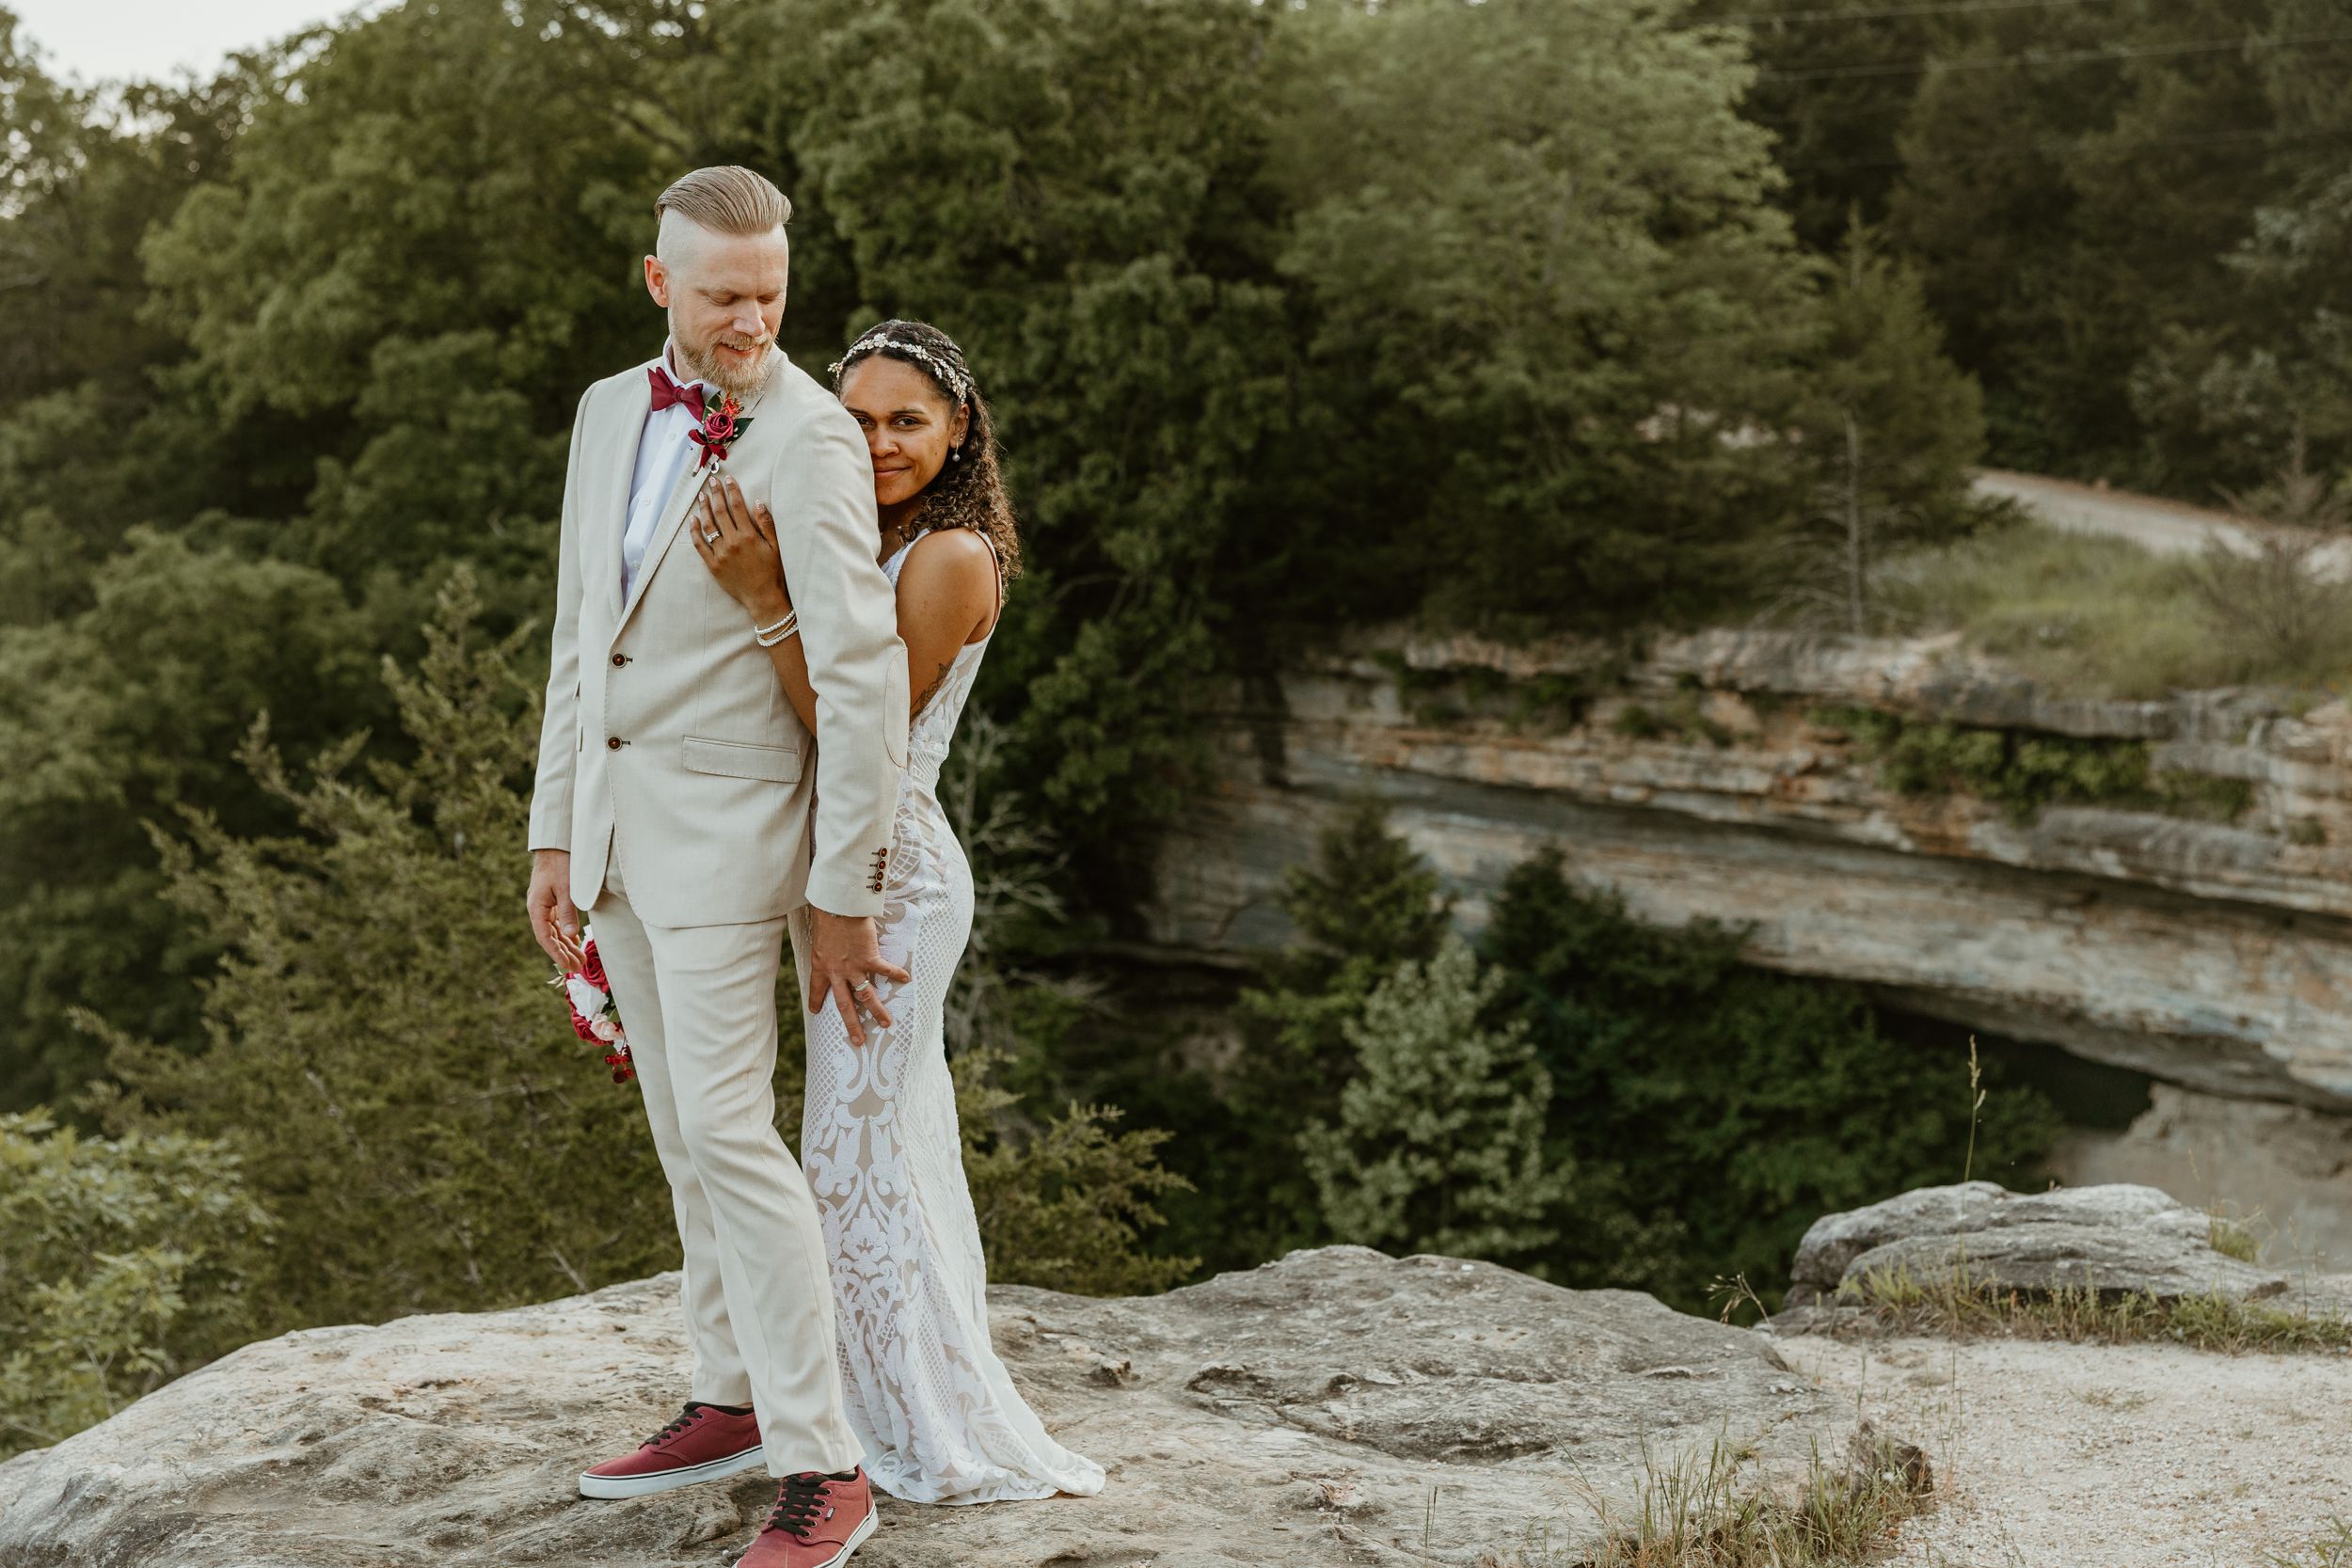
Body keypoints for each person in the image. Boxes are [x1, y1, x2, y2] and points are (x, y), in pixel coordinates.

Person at [524, 165, 904, 1568]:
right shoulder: (606, 411)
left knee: (738, 1144)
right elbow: (582, 631)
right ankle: (728, 1396)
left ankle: (828, 1467)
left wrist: (845, 889)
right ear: (660, 282)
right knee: (683, 1138)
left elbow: (862, 679)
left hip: (741, 843)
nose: (753, 315)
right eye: (725, 291)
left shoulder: (809, 438)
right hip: (619, 841)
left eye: (772, 290)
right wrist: (554, 831)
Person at [691, 319, 1106, 1505]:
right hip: (831, 869)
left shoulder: (948, 557)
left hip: (889, 880)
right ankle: (847, 1399)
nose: (878, 442)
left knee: (852, 1153)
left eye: (907, 420)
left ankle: (895, 1423)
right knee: (870, 1144)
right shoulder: (860, 530)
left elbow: (855, 731)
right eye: (857, 419)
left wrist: (768, 597)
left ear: (959, 429)